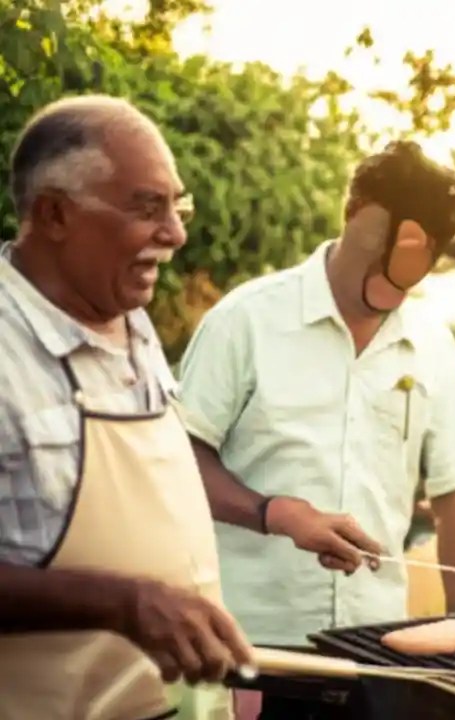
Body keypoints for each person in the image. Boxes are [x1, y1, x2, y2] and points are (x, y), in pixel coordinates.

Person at [176, 140, 455, 716]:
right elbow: (178, 459)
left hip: (375, 646)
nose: (394, 284)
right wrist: (274, 512)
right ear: (353, 212)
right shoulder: (247, 321)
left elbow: (453, 488)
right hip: (256, 645)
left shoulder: (432, 342)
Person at [0, 95, 252, 720]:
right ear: (55, 214)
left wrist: (274, 513)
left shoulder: (130, 318)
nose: (176, 233)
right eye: (147, 208)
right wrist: (122, 604)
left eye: (176, 205)